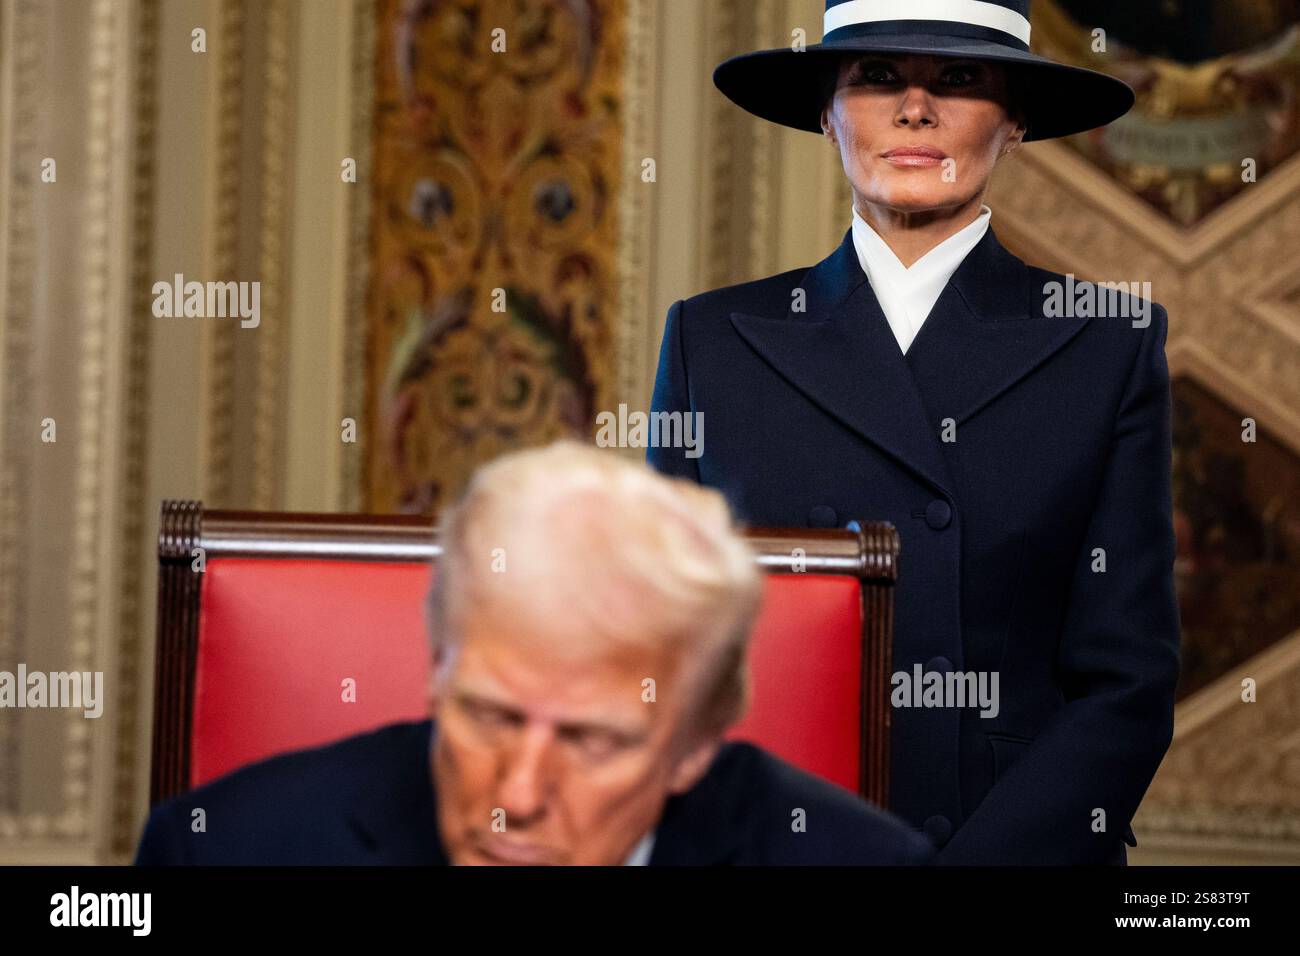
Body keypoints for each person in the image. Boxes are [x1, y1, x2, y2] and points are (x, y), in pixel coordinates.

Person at [649, 0, 1180, 864]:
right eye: (879, 77)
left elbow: (1128, 684)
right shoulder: (712, 340)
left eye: (960, 79)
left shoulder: (1108, 345)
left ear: (1015, 121)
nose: (915, 109)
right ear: (827, 112)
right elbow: (662, 648)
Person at [136, 441, 932, 866]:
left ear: (693, 747)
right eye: (488, 715)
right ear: (438, 667)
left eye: (589, 740)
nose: (514, 795)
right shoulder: (221, 850)